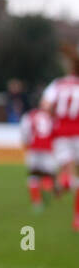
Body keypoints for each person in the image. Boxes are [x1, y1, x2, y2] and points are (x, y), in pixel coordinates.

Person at [39, 47, 79, 214]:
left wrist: (55, 116)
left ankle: (57, 183)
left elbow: (44, 106)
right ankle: (77, 218)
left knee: (69, 172)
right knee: (73, 175)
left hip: (60, 133)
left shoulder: (57, 84)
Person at [22, 105, 56, 211]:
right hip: (47, 148)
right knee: (49, 174)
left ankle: (37, 202)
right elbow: (54, 131)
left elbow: (25, 132)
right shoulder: (51, 116)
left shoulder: (29, 116)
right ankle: (47, 195)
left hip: (34, 148)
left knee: (33, 175)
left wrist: (26, 143)